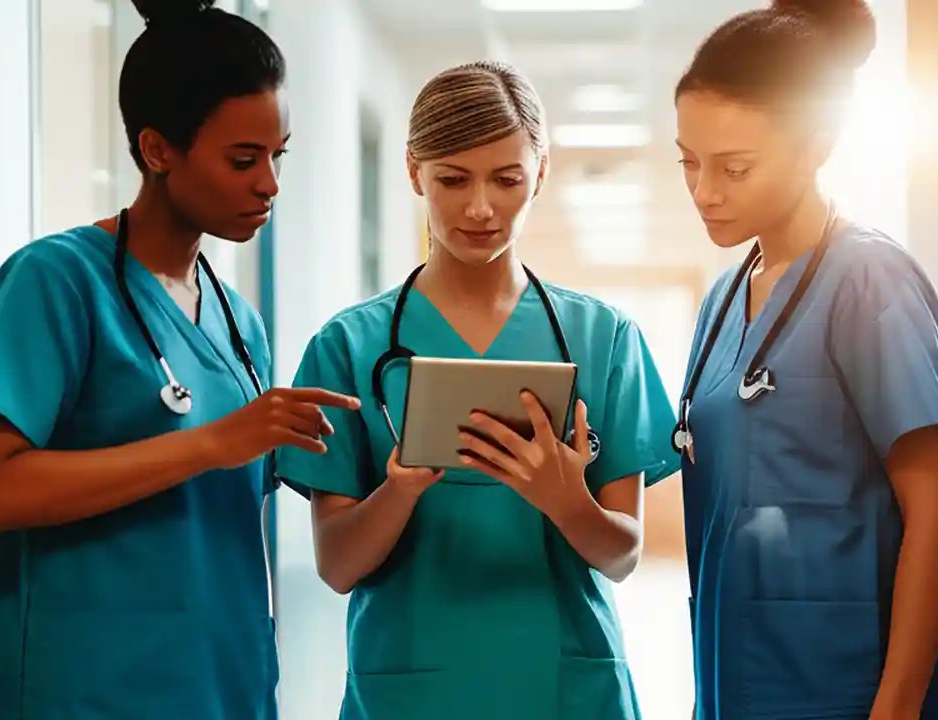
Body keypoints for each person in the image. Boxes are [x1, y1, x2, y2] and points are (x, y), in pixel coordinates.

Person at [0, 2, 358, 717]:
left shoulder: (240, 324)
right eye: (243, 159)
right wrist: (210, 444)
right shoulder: (58, 281)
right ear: (157, 149)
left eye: (277, 155)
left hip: (224, 685)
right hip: (87, 692)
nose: (268, 183)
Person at [275, 61, 681, 720]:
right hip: (412, 687)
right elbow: (338, 566)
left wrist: (563, 498)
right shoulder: (348, 346)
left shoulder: (603, 338)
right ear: (414, 172)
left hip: (563, 687)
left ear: (541, 172)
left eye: (508, 178)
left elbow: (622, 555)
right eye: (452, 179)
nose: (480, 208)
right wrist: (400, 489)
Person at [671, 1, 938, 718]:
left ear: (816, 143)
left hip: (850, 687)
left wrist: (895, 706)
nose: (705, 192)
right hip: (737, 682)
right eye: (689, 163)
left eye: (735, 167)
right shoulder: (720, 303)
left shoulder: (867, 279)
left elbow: (934, 507)